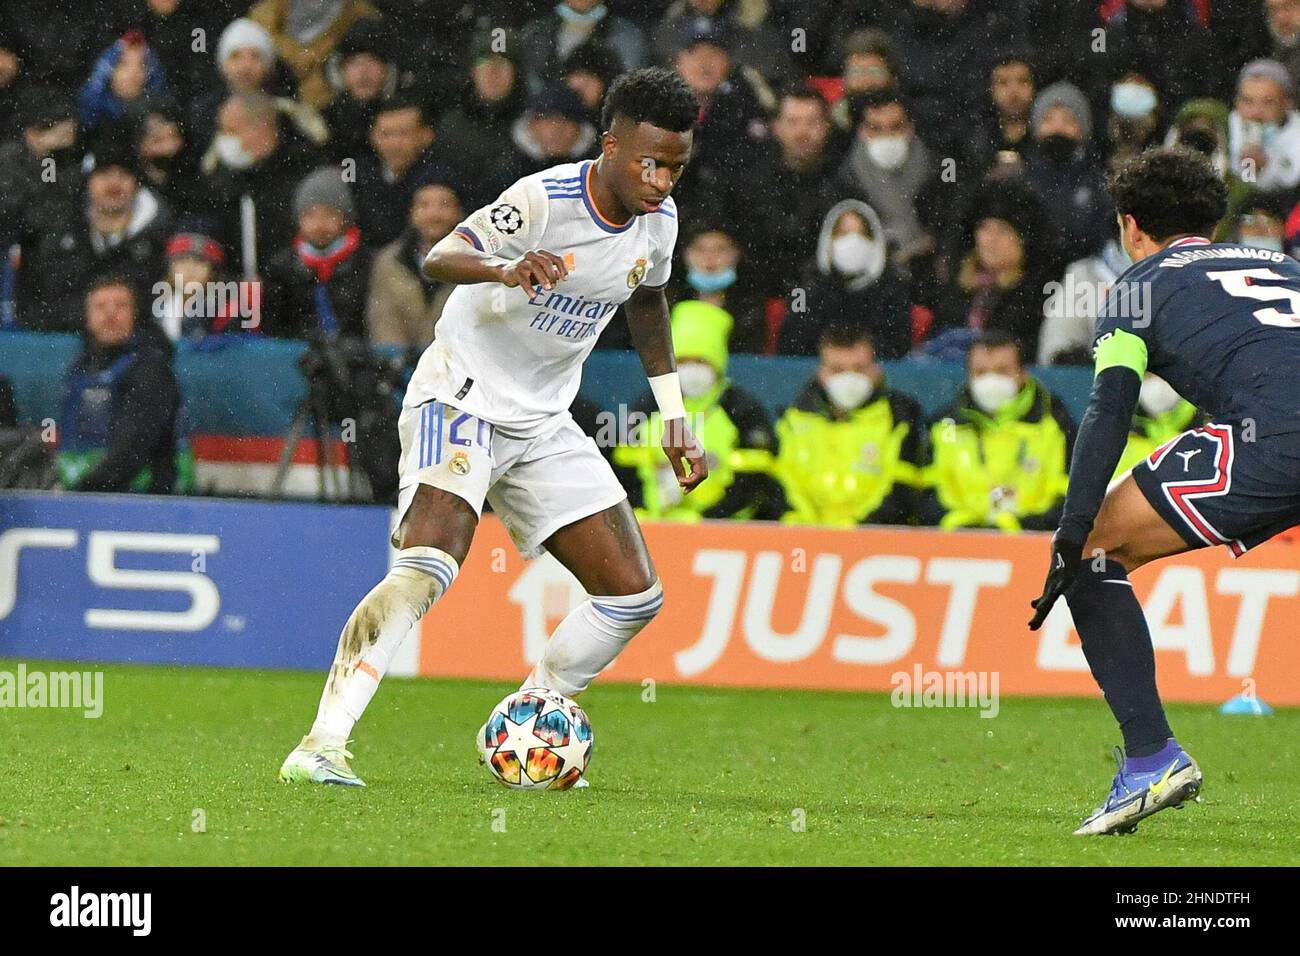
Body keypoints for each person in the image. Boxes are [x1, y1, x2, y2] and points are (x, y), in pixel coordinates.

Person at [279, 68, 707, 787]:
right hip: (462, 398)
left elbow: (647, 301)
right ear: (610, 145)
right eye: (650, 162)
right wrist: (505, 269)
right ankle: (321, 743)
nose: (663, 180)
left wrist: (673, 413)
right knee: (428, 567)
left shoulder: (658, 222)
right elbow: (438, 254)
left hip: (543, 420)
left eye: (676, 167)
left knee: (635, 595)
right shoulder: (545, 199)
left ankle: (532, 710)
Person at [1027, 147, 1300, 835]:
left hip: (1273, 440)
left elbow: (1110, 408)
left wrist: (1070, 528)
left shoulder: (1138, 285)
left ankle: (1151, 758)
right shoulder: (1283, 266)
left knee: (1095, 553)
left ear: (1130, 226)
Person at [617, 300, 784, 522]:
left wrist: (706, 518)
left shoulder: (743, 410)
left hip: (722, 531)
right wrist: (647, 506)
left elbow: (755, 482)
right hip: (652, 527)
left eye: (701, 361)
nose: (692, 370)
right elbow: (624, 472)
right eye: (683, 361)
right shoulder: (646, 406)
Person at [920, 329, 1075, 532]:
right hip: (956, 545)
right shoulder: (944, 426)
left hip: (1035, 546)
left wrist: (1015, 526)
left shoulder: (1057, 424)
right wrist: (961, 525)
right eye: (981, 372)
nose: (990, 381)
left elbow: (1068, 499)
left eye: (1002, 371)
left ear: (1023, 374)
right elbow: (929, 497)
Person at [775, 325, 925, 527]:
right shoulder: (794, 419)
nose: (849, 379)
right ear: (821, 373)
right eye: (837, 370)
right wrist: (803, 526)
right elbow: (782, 483)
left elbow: (900, 492)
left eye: (859, 369)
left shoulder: (900, 419)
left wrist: (856, 530)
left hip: (873, 539)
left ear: (877, 370)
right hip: (802, 536)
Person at [57, 275, 188, 494]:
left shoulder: (151, 371)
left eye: (120, 305)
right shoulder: (79, 368)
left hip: (145, 500)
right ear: (88, 317)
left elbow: (134, 449)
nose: (110, 314)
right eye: (101, 306)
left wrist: (84, 490)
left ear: (135, 315)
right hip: (85, 494)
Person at [260, 166, 372, 339]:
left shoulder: (368, 263)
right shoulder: (280, 268)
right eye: (310, 215)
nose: (319, 224)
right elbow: (274, 330)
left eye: (329, 214)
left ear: (345, 218)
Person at [365, 176, 463, 349]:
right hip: (401, 367)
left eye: (444, 205)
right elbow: (383, 321)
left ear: (459, 213)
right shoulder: (389, 262)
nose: (434, 214)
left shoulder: (477, 262)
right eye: (424, 206)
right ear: (412, 214)